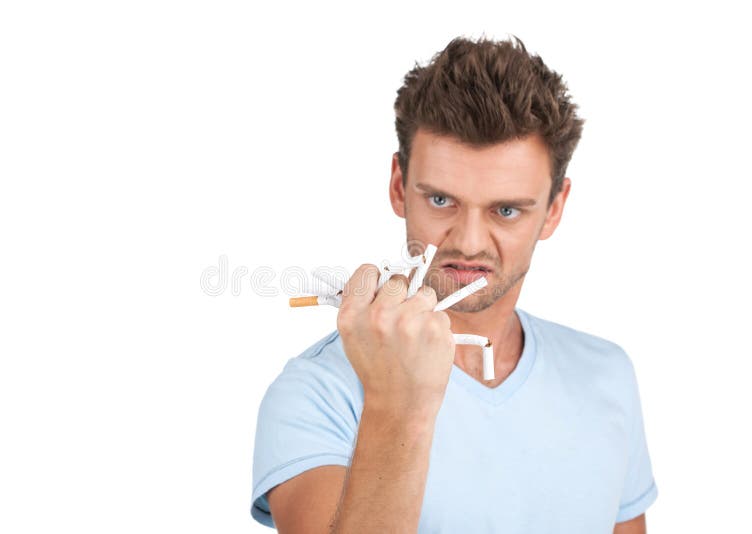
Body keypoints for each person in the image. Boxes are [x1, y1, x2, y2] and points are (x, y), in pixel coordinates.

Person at [250, 34, 658, 533]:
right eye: (441, 201)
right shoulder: (314, 392)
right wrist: (398, 401)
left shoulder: (608, 375)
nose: (467, 242)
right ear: (400, 187)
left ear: (554, 208)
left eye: (506, 210)